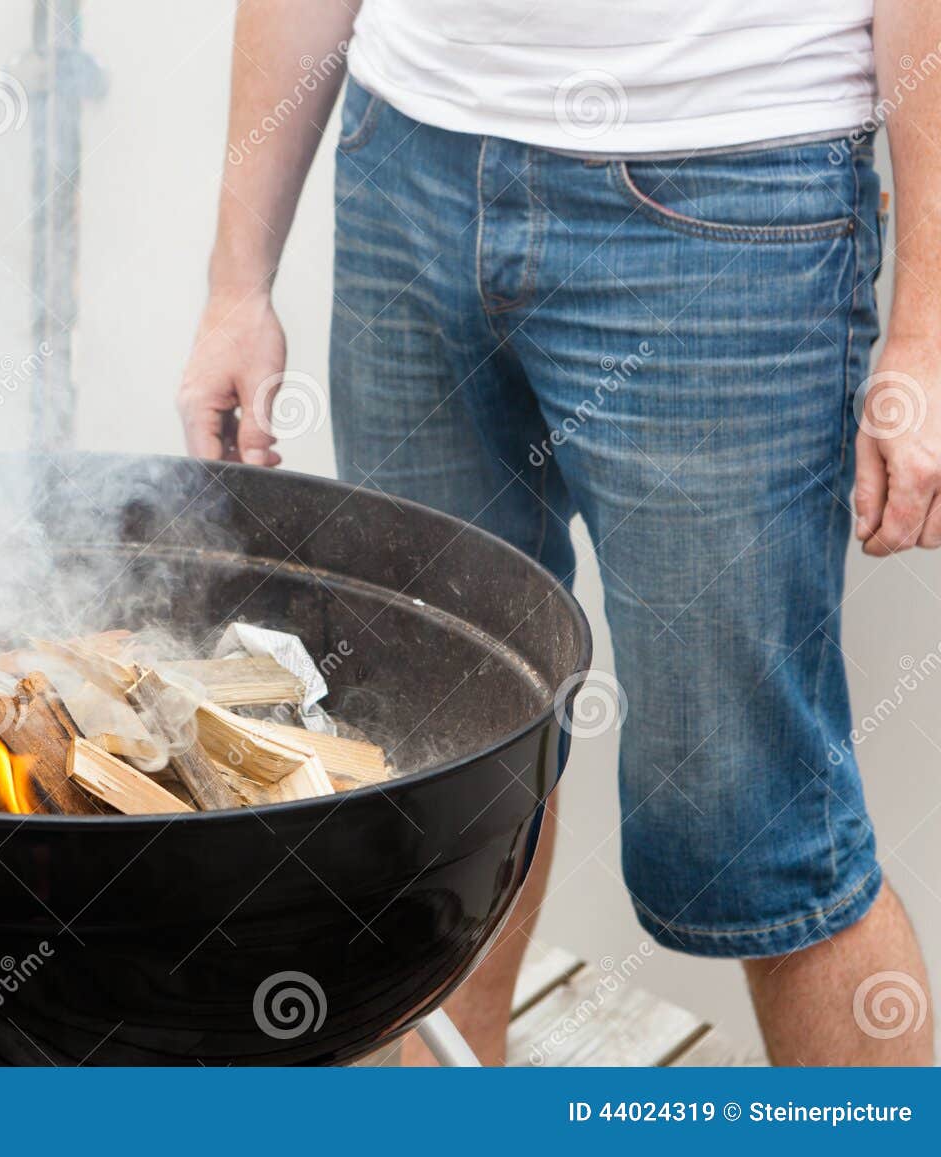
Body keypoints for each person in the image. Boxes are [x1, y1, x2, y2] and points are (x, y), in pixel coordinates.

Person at [178, 0, 936, 1065]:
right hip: (406, 159)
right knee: (440, 766)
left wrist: (927, 333)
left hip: (727, 189)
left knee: (759, 827)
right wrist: (235, 285)